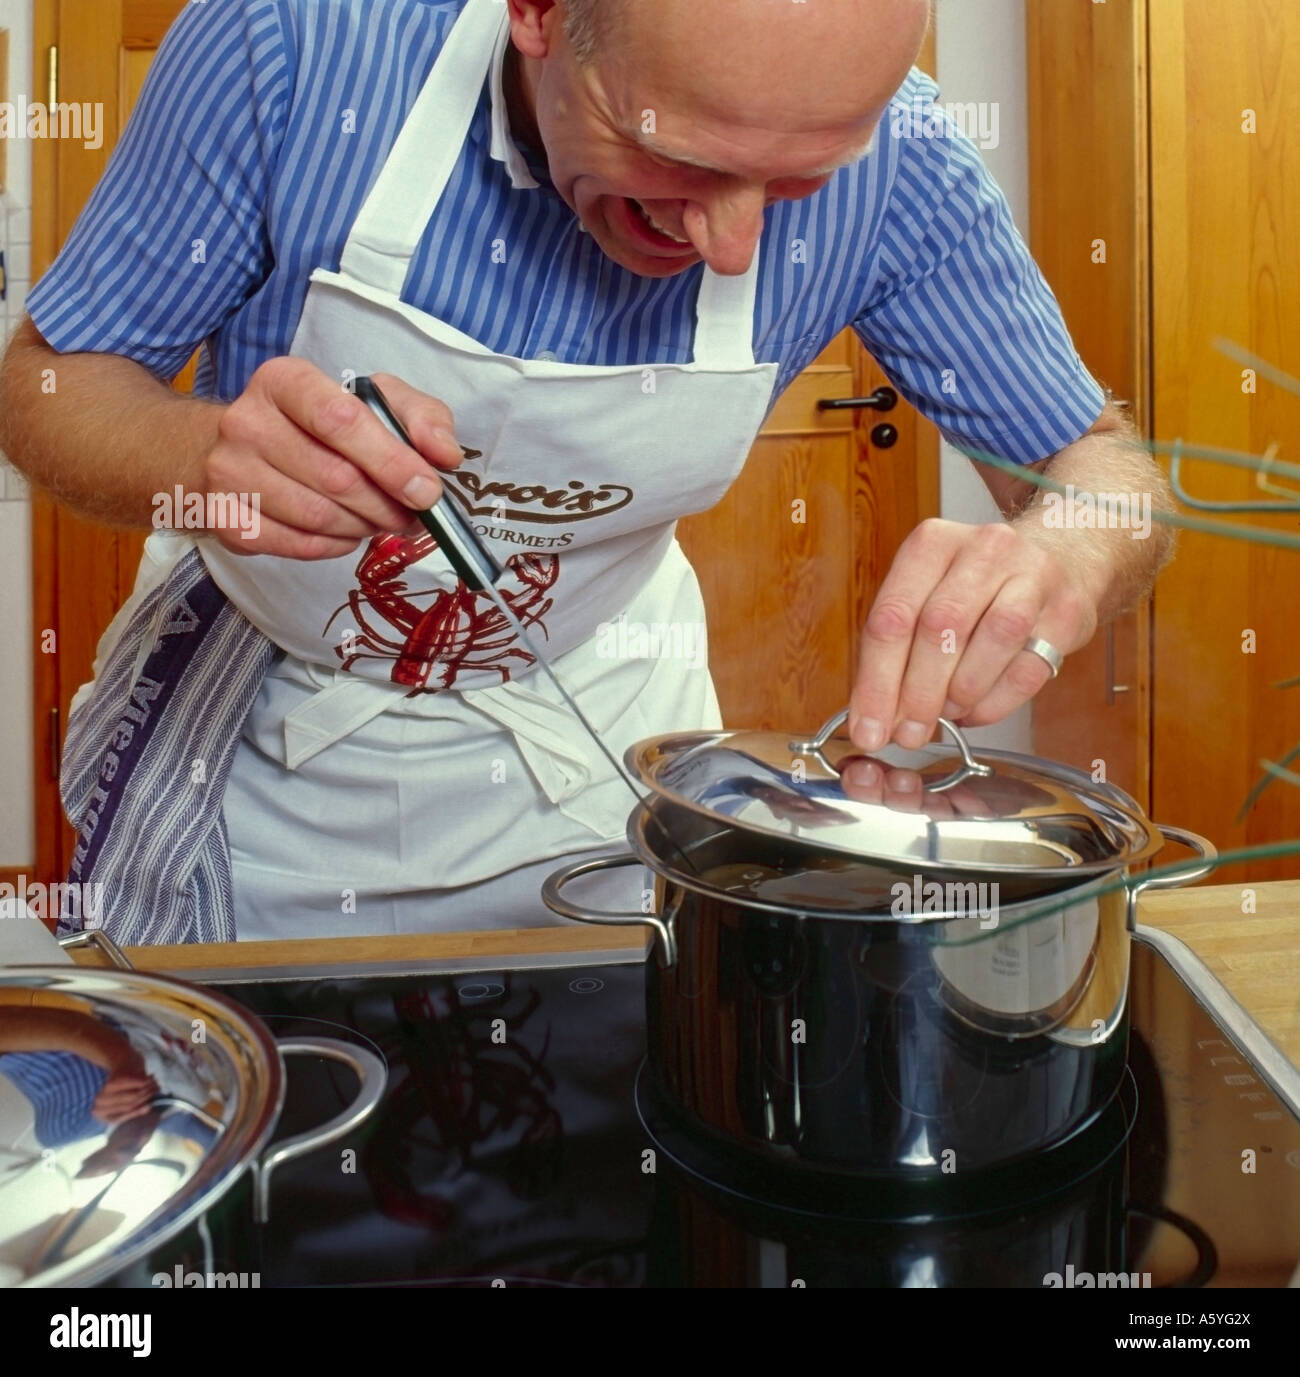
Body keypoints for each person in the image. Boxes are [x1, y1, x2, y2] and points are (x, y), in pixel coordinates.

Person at [0, 0, 1173, 944]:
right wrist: (200, 457)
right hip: (262, 758)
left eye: (801, 181)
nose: (731, 244)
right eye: (679, 158)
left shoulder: (904, 163)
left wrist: (1062, 553)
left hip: (609, 744)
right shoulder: (288, 46)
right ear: (540, 15)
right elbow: (45, 387)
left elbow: (1104, 469)